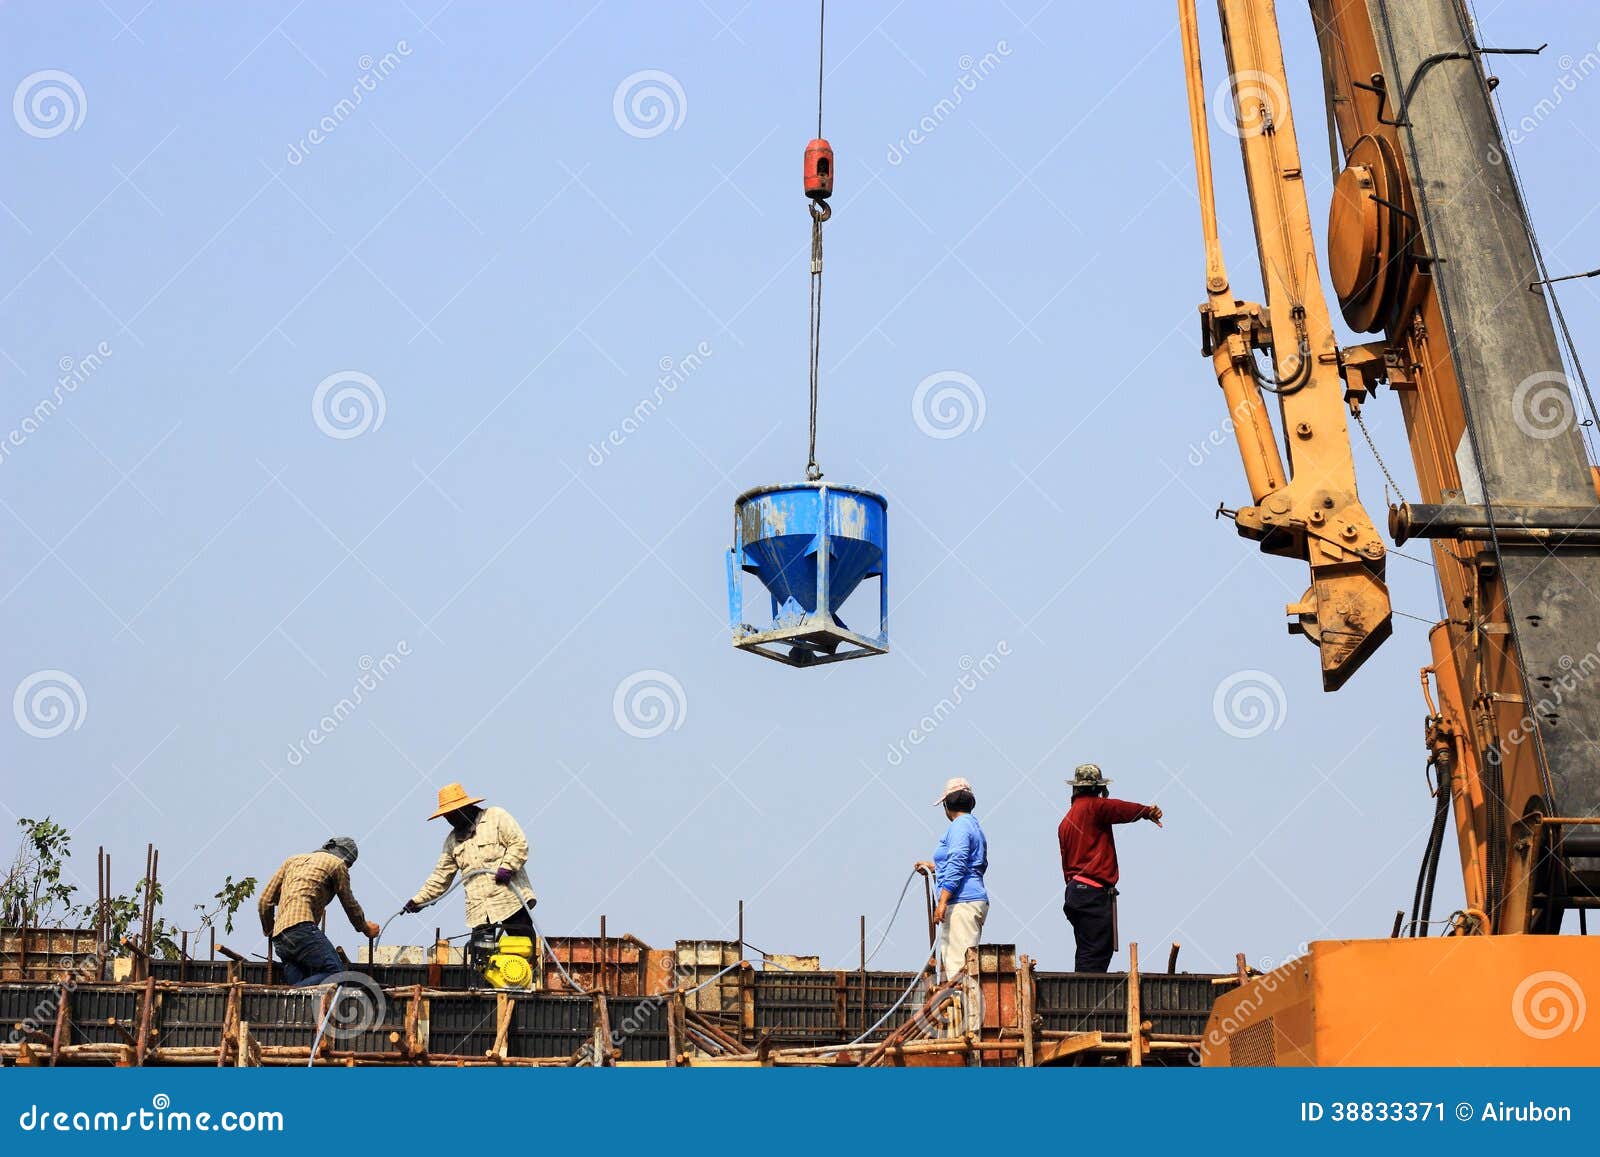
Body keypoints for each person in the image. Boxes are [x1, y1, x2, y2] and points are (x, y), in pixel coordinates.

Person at [1057, 763, 1163, 973]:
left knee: (1087, 950)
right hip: (1092, 894)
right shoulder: (1094, 807)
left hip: (1075, 893)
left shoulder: (1065, 822)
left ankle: (1083, 997)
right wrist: (1146, 811)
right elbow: (1118, 808)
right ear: (1098, 788)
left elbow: (1065, 864)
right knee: (1096, 952)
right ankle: (1087, 1001)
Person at [403, 783, 536, 940]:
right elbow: (440, 877)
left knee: (525, 949)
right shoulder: (452, 842)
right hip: (479, 910)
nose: (450, 819)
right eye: (446, 816)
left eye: (452, 814)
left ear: (465, 808)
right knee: (480, 958)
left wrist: (508, 867)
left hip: (510, 900)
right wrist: (418, 900)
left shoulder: (496, 817)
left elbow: (518, 843)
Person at [915, 776, 990, 1029]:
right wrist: (934, 867)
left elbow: (958, 863)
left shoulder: (959, 827)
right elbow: (962, 863)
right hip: (968, 899)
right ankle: (963, 1027)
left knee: (959, 971)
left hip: (962, 902)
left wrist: (942, 901)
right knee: (957, 966)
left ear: (947, 805)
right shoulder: (972, 825)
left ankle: (967, 1031)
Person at [258, 836, 380, 987]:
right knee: (337, 975)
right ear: (346, 859)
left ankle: (292, 997)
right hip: (302, 929)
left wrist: (270, 929)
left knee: (300, 1000)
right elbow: (349, 904)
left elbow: (264, 901)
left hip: (281, 939)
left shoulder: (293, 860)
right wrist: (366, 928)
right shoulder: (337, 864)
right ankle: (294, 993)